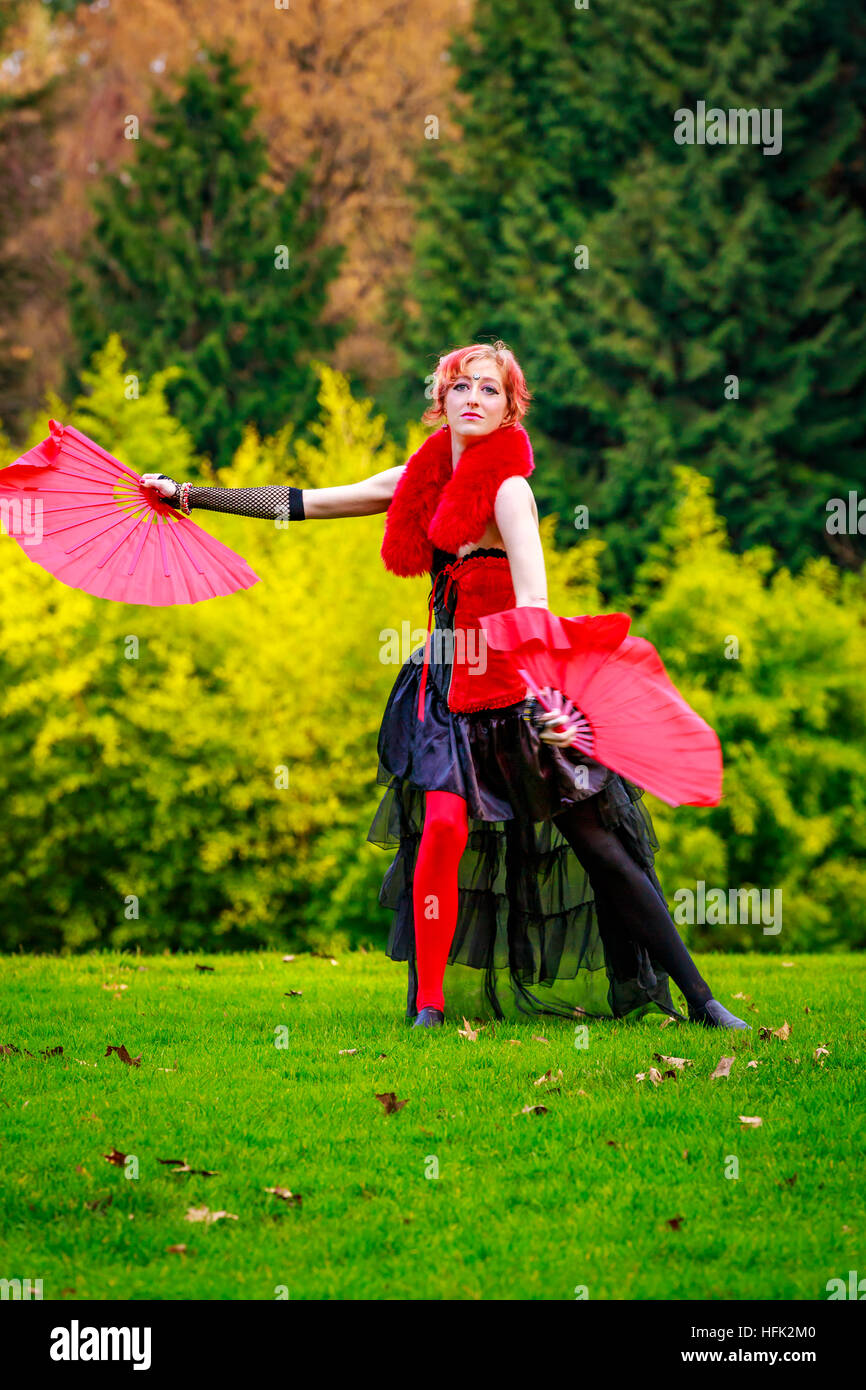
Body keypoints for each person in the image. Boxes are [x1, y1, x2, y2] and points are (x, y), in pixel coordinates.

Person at [143, 339, 749, 1033]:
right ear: (441, 399)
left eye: (489, 390)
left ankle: (702, 1001)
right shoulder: (416, 478)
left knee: (600, 845)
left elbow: (534, 598)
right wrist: (190, 495)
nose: (472, 398)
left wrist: (549, 700)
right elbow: (301, 503)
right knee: (442, 826)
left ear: (508, 407)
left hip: (520, 684)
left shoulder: (509, 489)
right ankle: (428, 1007)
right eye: (461, 386)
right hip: (443, 683)